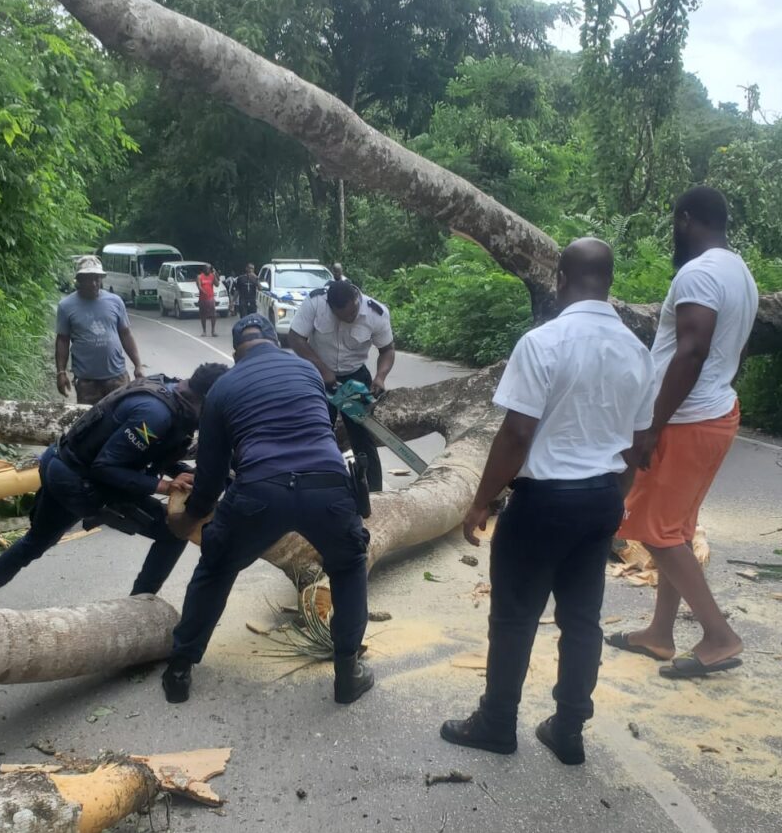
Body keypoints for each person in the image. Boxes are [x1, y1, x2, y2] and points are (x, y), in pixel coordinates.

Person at [440, 239, 656, 765]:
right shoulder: (637, 350)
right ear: (609, 281)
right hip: (600, 499)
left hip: (543, 503)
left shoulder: (543, 342)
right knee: (582, 621)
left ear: (560, 280)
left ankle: (496, 723)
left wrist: (479, 503)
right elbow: (642, 444)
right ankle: (568, 728)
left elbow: (516, 434)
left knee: (514, 617)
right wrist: (612, 497)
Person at [160, 314, 373, 706]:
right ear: (275, 341)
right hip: (326, 487)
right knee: (348, 565)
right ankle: (348, 672)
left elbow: (209, 476)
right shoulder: (309, 370)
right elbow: (323, 426)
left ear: (236, 352)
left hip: (260, 490)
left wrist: (191, 518)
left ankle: (179, 669)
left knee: (215, 568)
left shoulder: (223, 387)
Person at [606, 186, 757, 679]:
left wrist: (652, 425)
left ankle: (719, 636)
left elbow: (691, 352)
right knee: (675, 528)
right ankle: (660, 634)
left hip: (687, 419)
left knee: (656, 530)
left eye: (676, 223)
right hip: (711, 413)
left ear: (686, 219)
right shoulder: (739, 272)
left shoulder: (700, 273)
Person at [0, 364, 229, 607]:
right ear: (208, 398)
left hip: (63, 462)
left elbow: (149, 450)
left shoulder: (171, 389)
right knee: (174, 532)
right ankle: (136, 612)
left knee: (34, 543)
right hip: (80, 481)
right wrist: (164, 486)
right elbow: (107, 466)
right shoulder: (154, 414)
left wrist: (180, 473)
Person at [288, 280, 395, 492]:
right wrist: (323, 371)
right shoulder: (315, 303)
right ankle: (313, 489)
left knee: (362, 436)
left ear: (356, 300)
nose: (349, 319)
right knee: (316, 432)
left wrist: (380, 377)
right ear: (331, 306)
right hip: (319, 375)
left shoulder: (376, 312)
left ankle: (373, 491)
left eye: (352, 314)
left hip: (354, 378)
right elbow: (296, 338)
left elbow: (387, 350)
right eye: (342, 316)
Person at [56, 255, 145, 405]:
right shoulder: (66, 306)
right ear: (79, 280)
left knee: (120, 418)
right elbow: (62, 340)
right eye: (88, 278)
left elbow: (126, 334)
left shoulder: (115, 301)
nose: (93, 283)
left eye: (97, 278)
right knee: (91, 422)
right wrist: (61, 373)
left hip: (117, 377)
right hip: (87, 381)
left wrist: (138, 365)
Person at [197, 263, 219, 336]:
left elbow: (217, 284)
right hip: (202, 299)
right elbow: (199, 286)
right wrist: (203, 291)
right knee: (203, 315)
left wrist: (215, 274)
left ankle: (213, 331)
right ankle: (204, 331)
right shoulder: (200, 277)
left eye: (209, 269)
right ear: (204, 269)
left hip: (211, 298)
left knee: (213, 315)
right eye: (206, 268)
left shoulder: (212, 276)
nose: (208, 270)